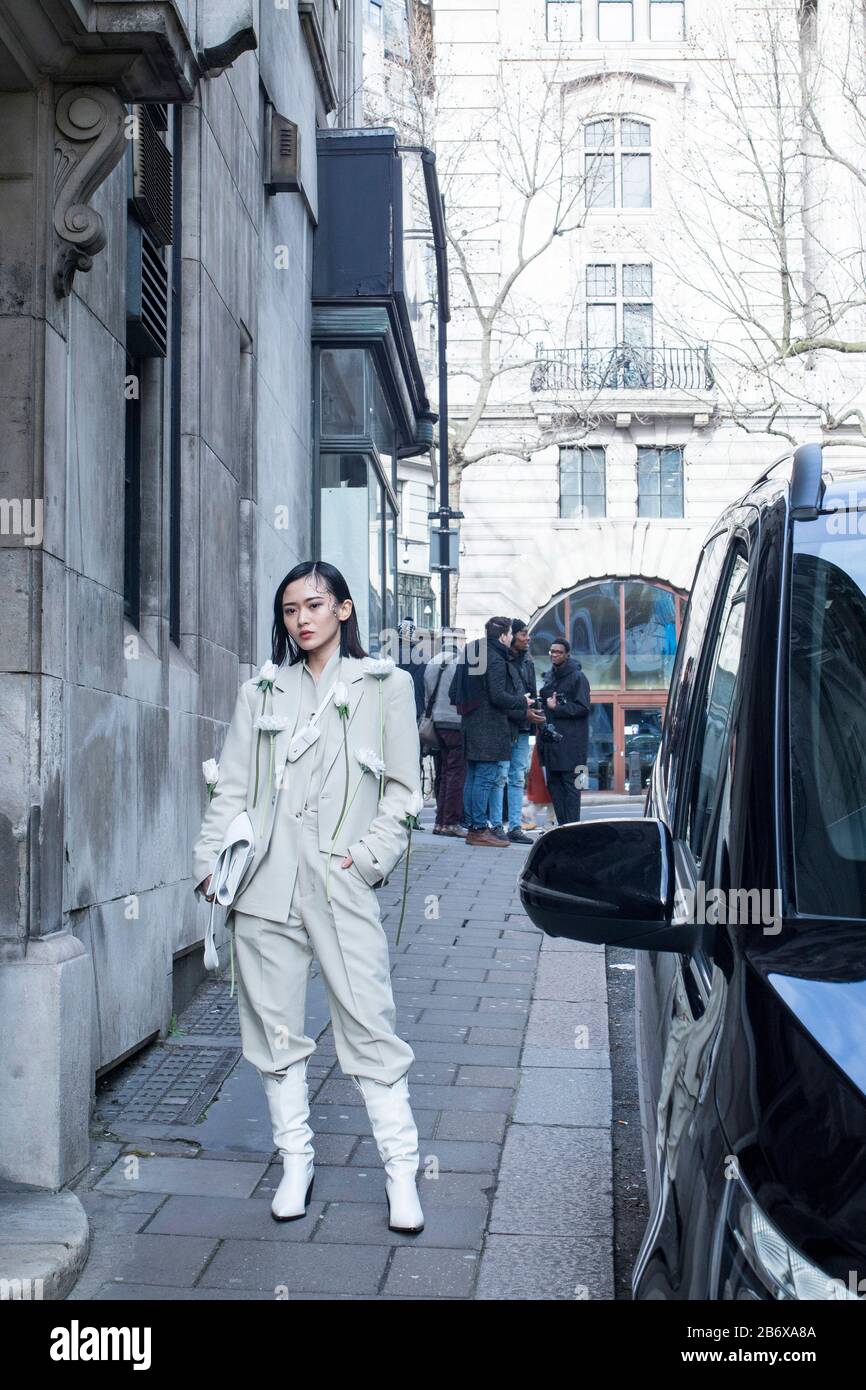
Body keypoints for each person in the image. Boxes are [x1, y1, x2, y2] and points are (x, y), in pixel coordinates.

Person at [191, 561, 425, 1235]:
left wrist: (368, 858)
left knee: (369, 1021)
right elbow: (232, 786)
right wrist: (211, 861)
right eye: (291, 608)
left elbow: (404, 789)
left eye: (315, 605)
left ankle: (401, 1172)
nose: (302, 619)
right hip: (264, 886)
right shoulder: (260, 691)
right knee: (273, 1030)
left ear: (344, 610)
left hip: (339, 882)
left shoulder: (385, 686)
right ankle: (296, 1162)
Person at [449, 616, 535, 846]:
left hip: (469, 724)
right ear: (504, 636)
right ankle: (478, 829)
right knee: (485, 777)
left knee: (474, 776)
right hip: (489, 728)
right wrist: (521, 702)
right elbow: (498, 696)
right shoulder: (495, 658)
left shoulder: (472, 652)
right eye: (510, 634)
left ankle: (472, 827)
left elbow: (453, 691)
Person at [488, 618, 542, 843]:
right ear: (511, 636)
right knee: (500, 776)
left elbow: (531, 692)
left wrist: (536, 714)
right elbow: (499, 698)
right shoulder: (500, 661)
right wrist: (525, 712)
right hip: (504, 725)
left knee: (517, 777)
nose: (527, 637)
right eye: (522, 633)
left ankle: (515, 826)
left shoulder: (527, 662)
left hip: (521, 726)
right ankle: (497, 825)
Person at [537, 637, 591, 826]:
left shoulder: (578, 677)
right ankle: (562, 829)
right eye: (552, 651)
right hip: (551, 746)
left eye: (558, 652)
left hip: (572, 747)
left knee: (572, 790)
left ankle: (573, 830)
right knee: (555, 789)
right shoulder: (549, 677)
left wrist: (556, 708)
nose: (554, 654)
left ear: (567, 654)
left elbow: (583, 707)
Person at [423, 630, 467, 838]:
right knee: (456, 773)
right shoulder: (460, 662)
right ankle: (450, 822)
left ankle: (440, 822)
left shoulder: (432, 662)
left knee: (443, 773)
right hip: (455, 722)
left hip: (436, 722)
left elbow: (427, 695)